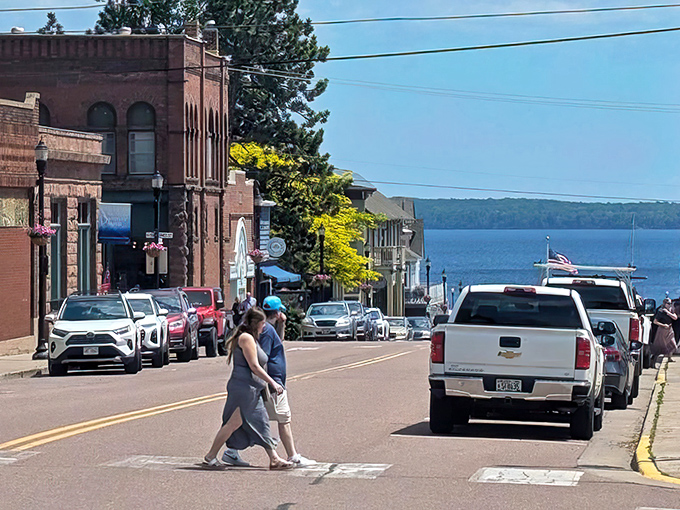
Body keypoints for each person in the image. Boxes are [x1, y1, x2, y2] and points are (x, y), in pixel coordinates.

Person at [222, 295, 315, 468]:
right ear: (277, 312)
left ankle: (232, 452)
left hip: (269, 382)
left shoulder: (268, 329)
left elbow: (277, 343)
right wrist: (271, 383)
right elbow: (259, 359)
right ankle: (292, 456)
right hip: (272, 383)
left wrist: (282, 324)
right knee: (282, 418)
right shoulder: (264, 331)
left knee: (244, 419)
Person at [204, 307, 293, 470]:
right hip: (244, 389)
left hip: (251, 389)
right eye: (262, 323)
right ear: (256, 323)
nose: (264, 327)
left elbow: (276, 344)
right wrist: (272, 383)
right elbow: (254, 366)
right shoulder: (246, 338)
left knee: (250, 422)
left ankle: (273, 458)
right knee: (236, 423)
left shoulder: (251, 338)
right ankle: (210, 456)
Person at [652, 298, 678, 365]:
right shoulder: (660, 311)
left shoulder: (671, 310)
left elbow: (675, 317)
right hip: (662, 330)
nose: (669, 305)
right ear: (664, 304)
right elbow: (655, 321)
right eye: (668, 304)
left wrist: (668, 312)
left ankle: (669, 358)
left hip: (669, 329)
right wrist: (663, 325)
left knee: (673, 346)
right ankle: (654, 362)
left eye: (670, 303)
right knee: (660, 348)